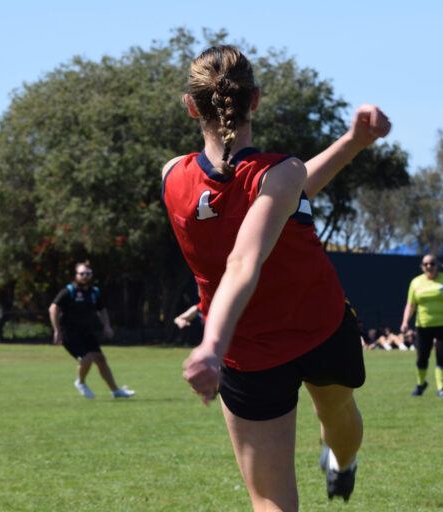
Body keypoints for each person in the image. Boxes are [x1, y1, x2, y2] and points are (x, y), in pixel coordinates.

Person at [161, 45, 391, 510]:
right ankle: (343, 461)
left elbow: (273, 212)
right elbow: (252, 246)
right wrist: (211, 347)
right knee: (336, 414)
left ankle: (341, 464)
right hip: (298, 329)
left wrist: (212, 345)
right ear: (256, 99)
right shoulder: (280, 172)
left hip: (262, 343)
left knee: (275, 493)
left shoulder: (172, 176)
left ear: (190, 105)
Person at [48, 261, 135, 399]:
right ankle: (81, 382)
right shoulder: (69, 291)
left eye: (87, 274)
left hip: (87, 332)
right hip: (69, 332)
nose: (84, 276)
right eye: (81, 273)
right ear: (76, 275)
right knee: (87, 358)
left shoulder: (94, 292)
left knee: (100, 359)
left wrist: (106, 325)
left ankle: (115, 391)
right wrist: (57, 330)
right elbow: (53, 308)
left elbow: (102, 310)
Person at [400, 254, 443, 398]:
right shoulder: (416, 283)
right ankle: (420, 384)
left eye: (432, 263)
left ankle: (441, 388)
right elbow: (411, 304)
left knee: (442, 356)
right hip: (423, 325)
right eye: (426, 264)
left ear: (437, 265)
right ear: (422, 266)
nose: (429, 266)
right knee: (422, 357)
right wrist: (405, 322)